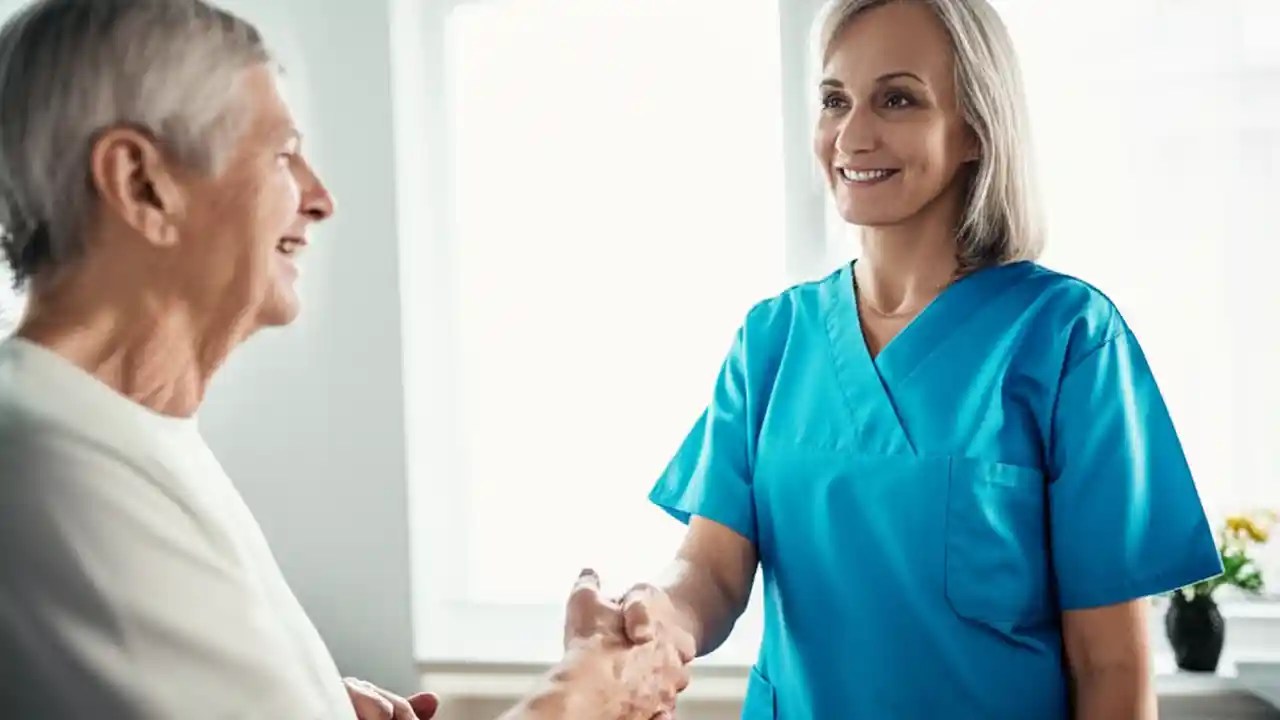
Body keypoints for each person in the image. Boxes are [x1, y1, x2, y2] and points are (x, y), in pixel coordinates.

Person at [0, 1, 689, 718]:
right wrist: (581, 700)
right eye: (280, 155)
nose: (320, 199)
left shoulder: (113, 438)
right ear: (142, 183)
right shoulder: (55, 468)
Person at [613, 0, 1224, 718]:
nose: (852, 134)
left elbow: (1111, 665)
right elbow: (712, 573)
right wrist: (657, 619)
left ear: (974, 130)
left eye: (897, 99)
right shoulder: (773, 339)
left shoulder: (1066, 340)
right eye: (835, 100)